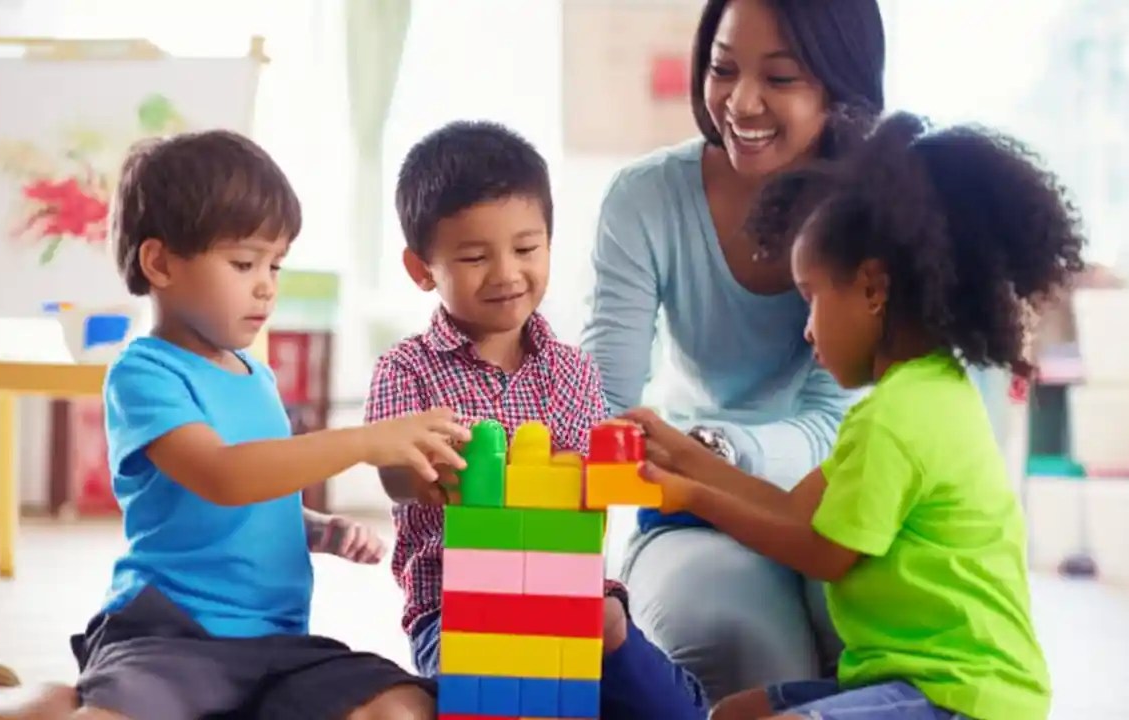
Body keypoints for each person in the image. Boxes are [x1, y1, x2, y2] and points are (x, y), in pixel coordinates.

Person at [0, 130, 472, 720]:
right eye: (243, 262)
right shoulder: (144, 375)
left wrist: (315, 529)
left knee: (403, 706)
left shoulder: (254, 378)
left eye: (276, 264)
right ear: (159, 262)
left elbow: (248, 500)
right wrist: (366, 441)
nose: (266, 285)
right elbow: (221, 476)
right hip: (170, 638)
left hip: (276, 646)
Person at [631, 111, 1079, 719]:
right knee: (736, 713)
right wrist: (680, 451)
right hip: (907, 680)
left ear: (872, 289)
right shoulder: (922, 392)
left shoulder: (898, 417)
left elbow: (821, 551)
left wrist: (689, 496)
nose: (808, 329)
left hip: (959, 696)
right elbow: (793, 509)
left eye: (812, 298)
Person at [579, 0, 887, 700]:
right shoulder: (645, 199)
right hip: (695, 515)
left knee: (874, 639)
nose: (741, 102)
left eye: (780, 79)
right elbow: (601, 398)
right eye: (722, 69)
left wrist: (712, 449)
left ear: (841, 87)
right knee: (746, 650)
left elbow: (840, 426)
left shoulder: (878, 216)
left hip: (844, 505)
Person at [365, 119, 708, 719]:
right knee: (501, 693)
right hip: (458, 603)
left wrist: (626, 468)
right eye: (474, 257)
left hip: (571, 588)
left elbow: (589, 488)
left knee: (663, 696)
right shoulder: (406, 370)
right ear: (422, 269)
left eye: (526, 249)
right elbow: (392, 471)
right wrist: (429, 472)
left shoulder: (572, 370)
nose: (506, 274)